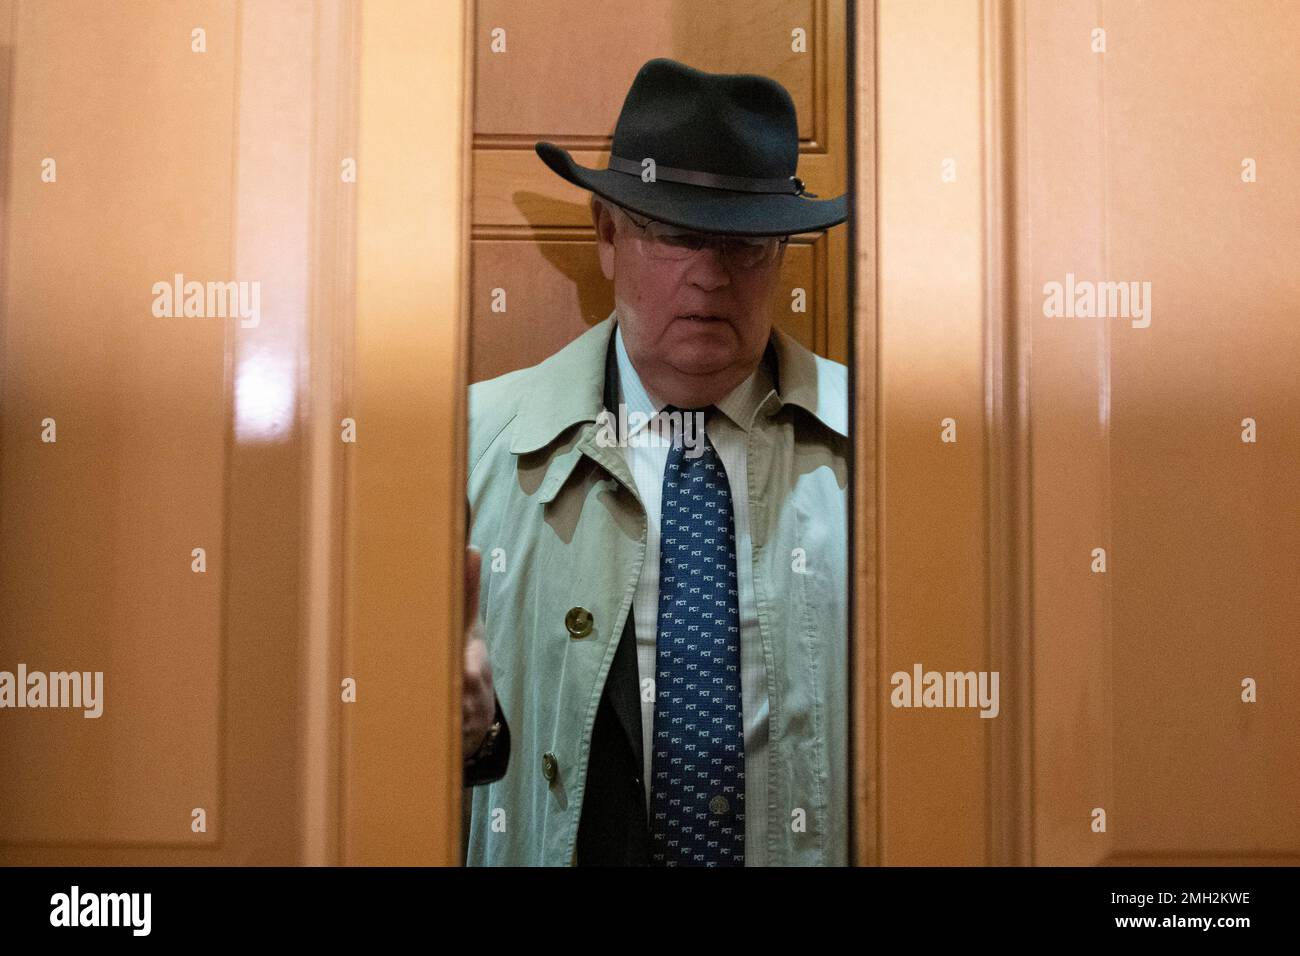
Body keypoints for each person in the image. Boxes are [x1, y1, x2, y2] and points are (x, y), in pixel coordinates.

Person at [462, 58, 849, 865]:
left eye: (746, 242)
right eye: (675, 234)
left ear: (781, 252)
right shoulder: (474, 448)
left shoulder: (886, 459)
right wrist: (465, 734)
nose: (711, 274)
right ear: (607, 235)